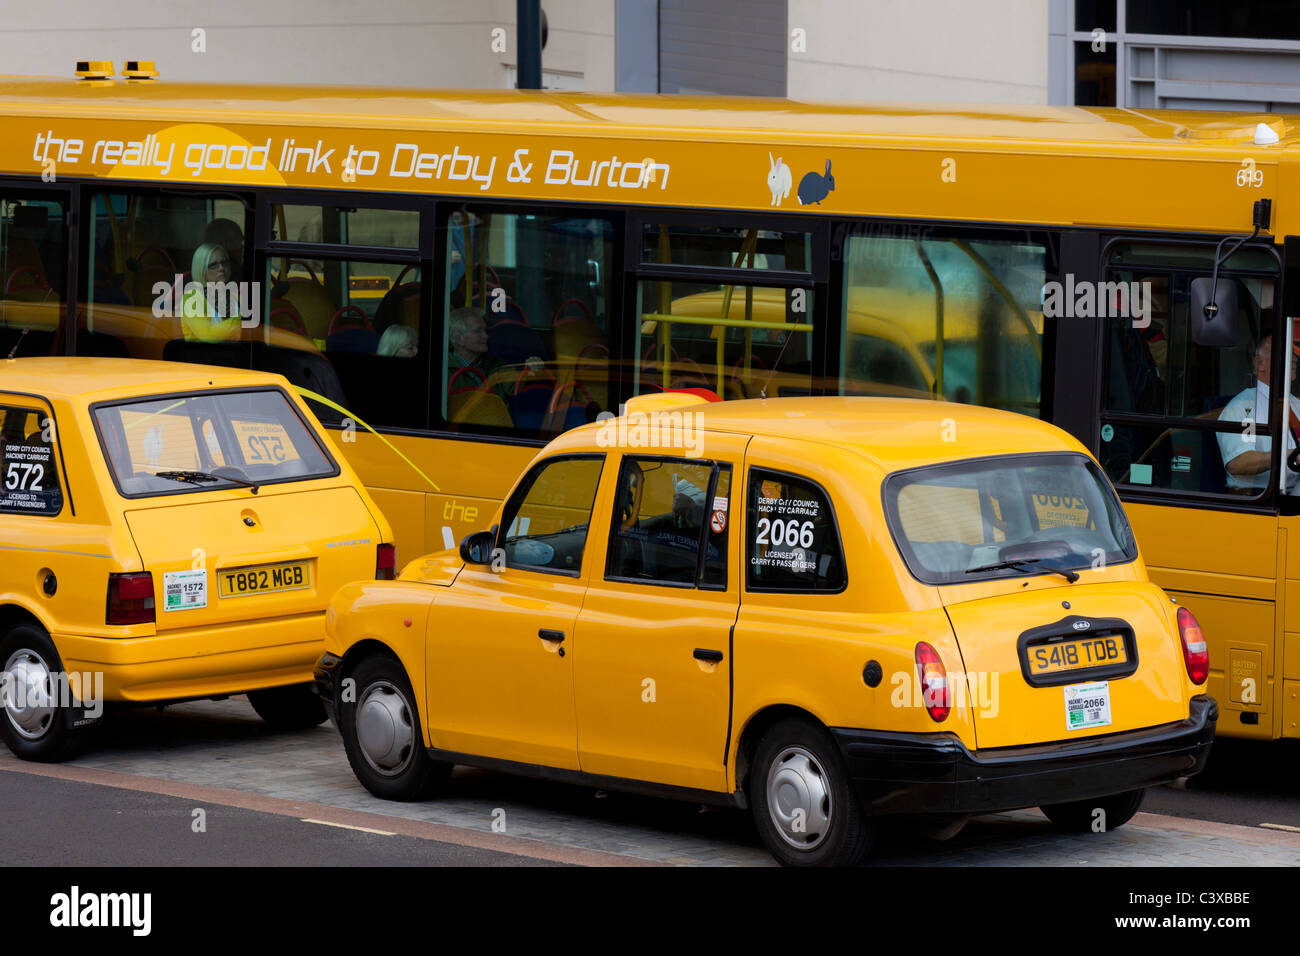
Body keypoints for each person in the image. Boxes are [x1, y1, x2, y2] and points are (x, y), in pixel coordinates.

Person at [1217, 332, 1300, 493]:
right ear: (1259, 363)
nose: (1294, 359)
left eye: (1294, 353)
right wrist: (1290, 455)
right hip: (1258, 497)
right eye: (1285, 353)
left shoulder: (1295, 403)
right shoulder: (1242, 407)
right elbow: (1239, 462)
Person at [446, 306, 541, 398]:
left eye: (485, 330)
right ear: (459, 339)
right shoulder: (445, 370)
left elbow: (515, 389)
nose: (486, 336)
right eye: (478, 331)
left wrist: (529, 373)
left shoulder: (495, 364)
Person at [181, 242, 243, 342]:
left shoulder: (235, 296)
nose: (222, 268)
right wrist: (243, 317)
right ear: (201, 270)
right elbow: (208, 336)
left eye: (224, 262)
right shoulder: (192, 298)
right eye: (213, 265)